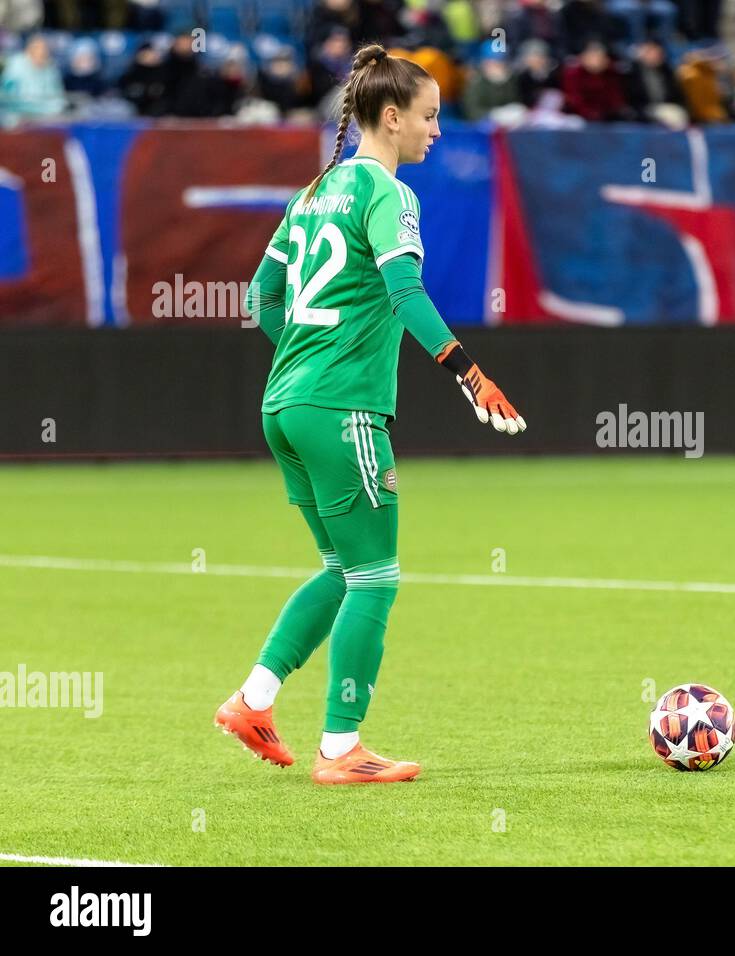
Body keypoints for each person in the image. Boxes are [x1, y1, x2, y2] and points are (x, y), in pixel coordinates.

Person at [217, 43, 526, 785]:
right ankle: (339, 750)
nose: (437, 132)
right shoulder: (389, 195)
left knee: (340, 567)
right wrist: (468, 372)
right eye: (429, 117)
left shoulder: (312, 193)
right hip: (340, 408)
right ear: (390, 118)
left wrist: (305, 348)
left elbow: (258, 300)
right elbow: (404, 294)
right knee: (378, 578)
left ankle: (252, 700)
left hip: (284, 406)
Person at [0, 33, 67, 121]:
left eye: (45, 49)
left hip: (46, 117)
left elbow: (58, 97)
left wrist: (55, 110)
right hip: (18, 117)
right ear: (29, 50)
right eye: (38, 48)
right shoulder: (16, 65)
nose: (43, 52)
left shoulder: (51, 69)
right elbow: (7, 95)